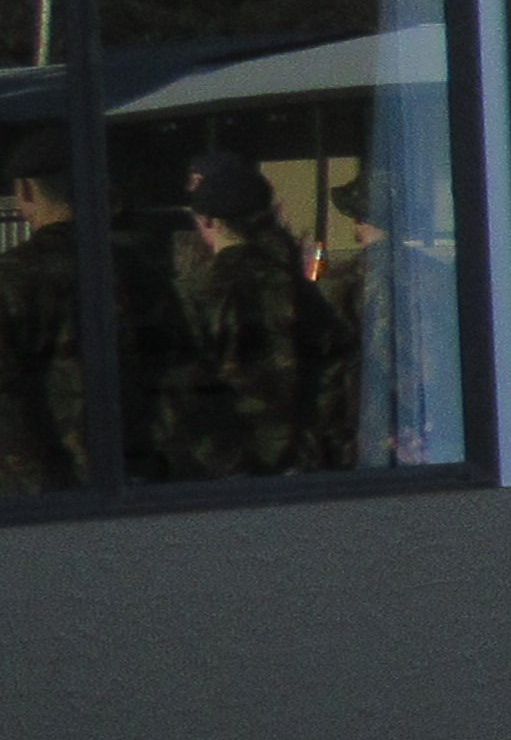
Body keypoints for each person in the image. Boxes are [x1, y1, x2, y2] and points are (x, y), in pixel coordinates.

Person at [0, 128, 176, 490]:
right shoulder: (141, 272)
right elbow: (181, 381)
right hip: (139, 484)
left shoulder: (11, 279)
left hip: (39, 499)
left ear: (27, 192)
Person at [166, 150, 328, 482]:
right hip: (308, 467)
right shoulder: (305, 291)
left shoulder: (193, 294)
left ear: (206, 221)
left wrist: (227, 466)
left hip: (227, 478)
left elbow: (179, 396)